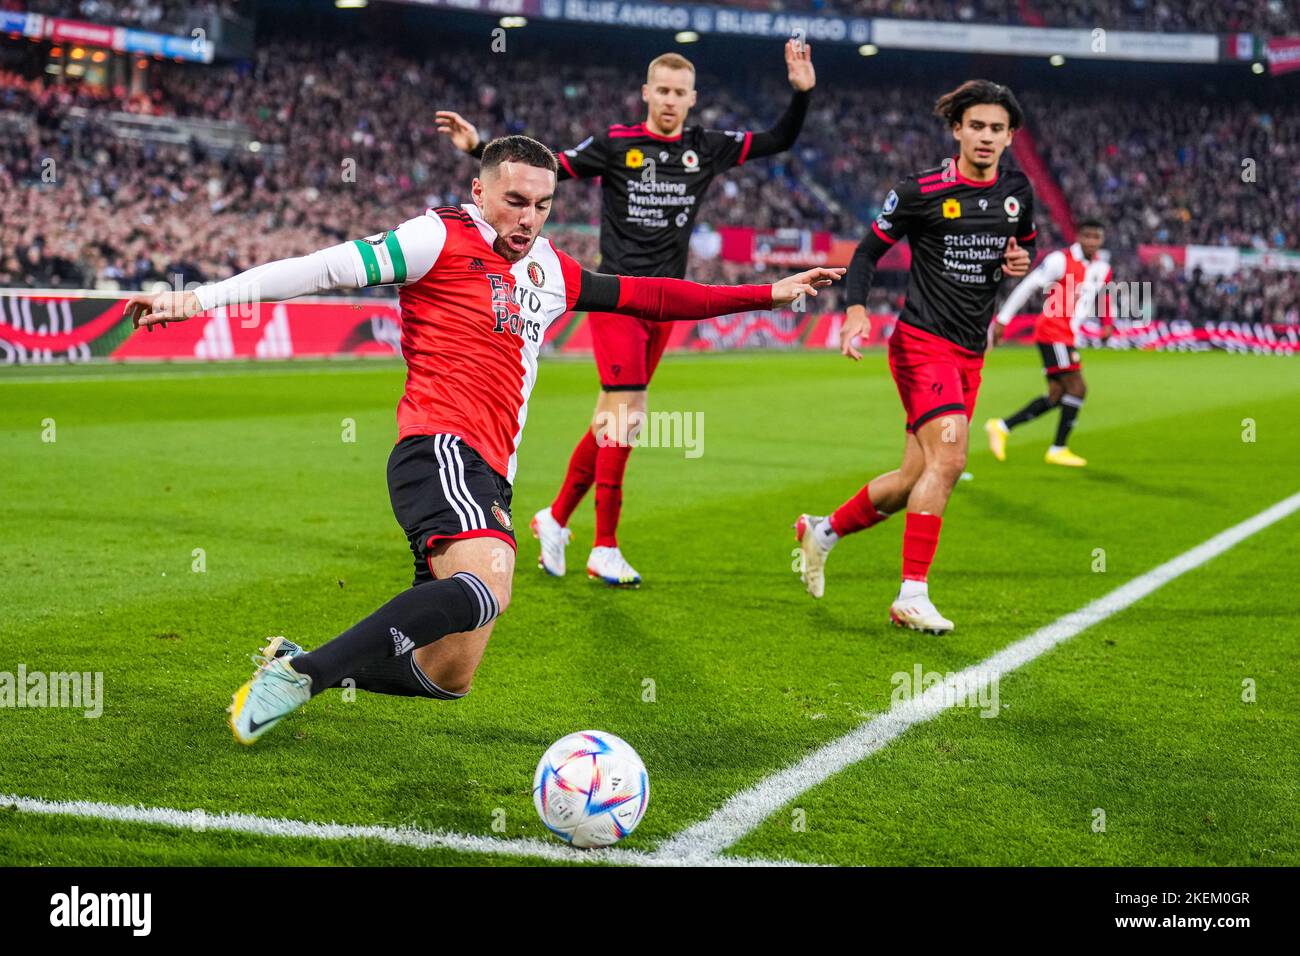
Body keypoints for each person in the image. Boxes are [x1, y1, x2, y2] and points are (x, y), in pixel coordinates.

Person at [123, 135, 842, 744]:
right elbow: (322, 268)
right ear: (479, 189)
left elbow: (648, 294)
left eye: (542, 205)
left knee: (449, 673)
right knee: (489, 584)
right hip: (437, 446)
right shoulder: (437, 236)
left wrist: (768, 291)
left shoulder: (550, 269)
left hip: (489, 472)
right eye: (514, 201)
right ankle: (300, 678)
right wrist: (199, 298)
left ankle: (308, 658)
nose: (528, 218)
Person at [436, 40, 815, 587]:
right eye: (660, 90)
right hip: (616, 294)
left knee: (611, 420)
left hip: (667, 300)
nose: (669, 100)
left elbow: (779, 139)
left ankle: (556, 518)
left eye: (679, 93)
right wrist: (480, 148)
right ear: (646, 93)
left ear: (692, 99)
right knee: (628, 415)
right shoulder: (616, 145)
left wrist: (802, 94)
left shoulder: (704, 147)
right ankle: (605, 547)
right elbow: (548, 168)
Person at [793, 80, 1037, 635]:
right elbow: (867, 252)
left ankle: (822, 530)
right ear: (957, 129)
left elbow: (1024, 244)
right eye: (976, 125)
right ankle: (911, 595)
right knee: (949, 460)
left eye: (996, 128)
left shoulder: (1018, 189)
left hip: (971, 351)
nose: (985, 136)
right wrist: (855, 312)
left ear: (1010, 136)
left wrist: (1019, 260)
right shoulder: (921, 190)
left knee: (912, 479)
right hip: (922, 344)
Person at [985, 219, 1112, 467]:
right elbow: (1028, 285)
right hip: (1054, 330)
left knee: (1056, 395)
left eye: (1096, 237)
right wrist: (1003, 319)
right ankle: (1058, 448)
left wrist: (1107, 322)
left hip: (1067, 334)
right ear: (1078, 236)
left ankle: (1001, 427)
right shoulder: (1060, 260)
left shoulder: (1102, 268)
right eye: (1087, 236)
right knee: (1077, 388)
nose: (1091, 241)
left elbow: (1103, 295)